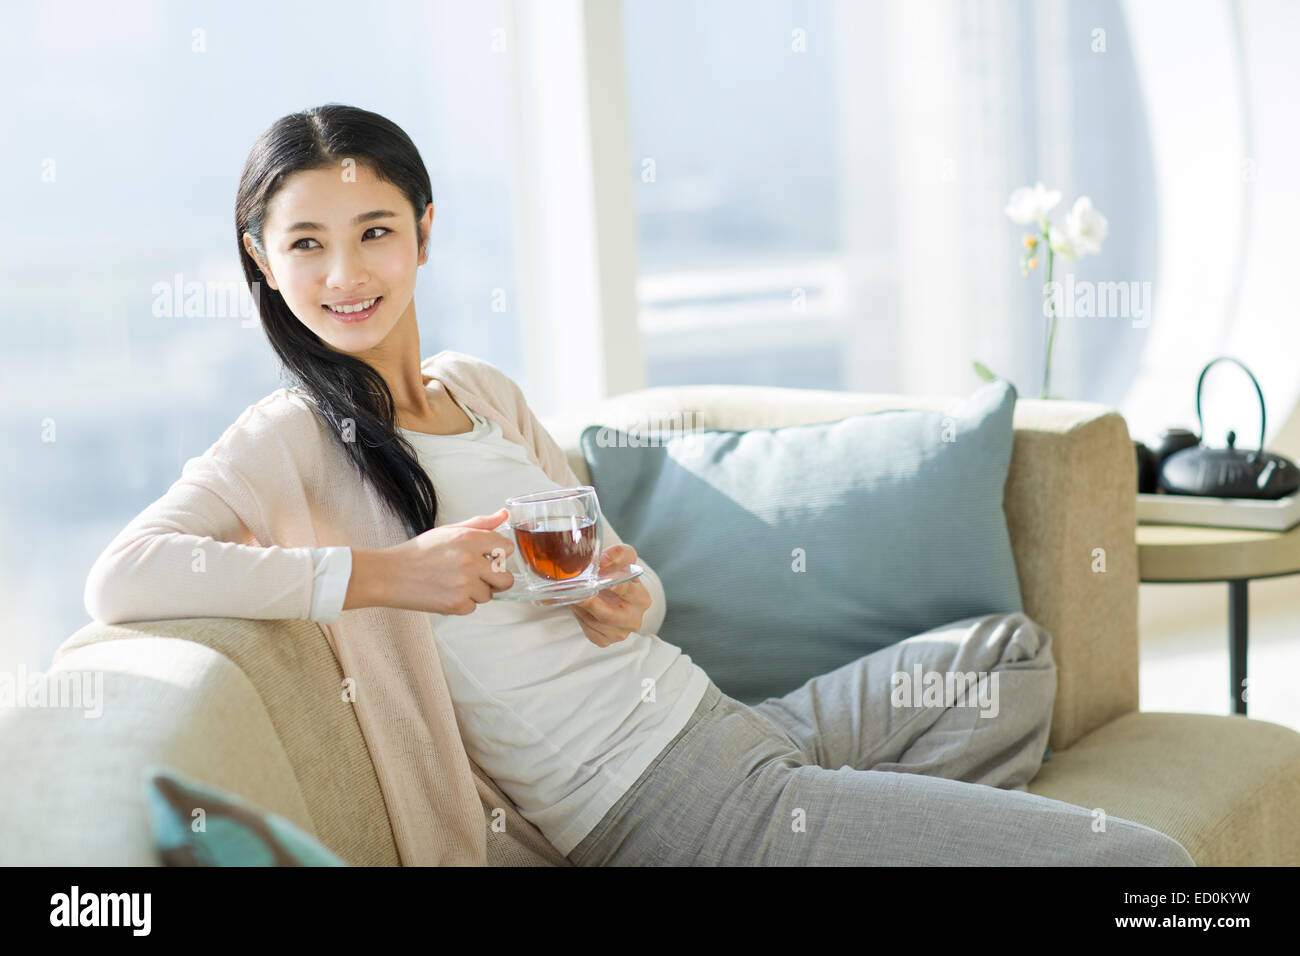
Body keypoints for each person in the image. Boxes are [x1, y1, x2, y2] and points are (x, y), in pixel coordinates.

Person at [85, 104, 1193, 867]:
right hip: (670, 804)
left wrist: (629, 596)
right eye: (306, 244)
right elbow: (121, 576)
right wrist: (390, 575)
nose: (343, 274)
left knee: (1007, 657)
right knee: (1147, 869)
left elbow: (623, 570)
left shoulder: (477, 387)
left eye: (373, 232)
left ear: (424, 232)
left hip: (723, 721)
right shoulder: (292, 439)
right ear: (261, 259)